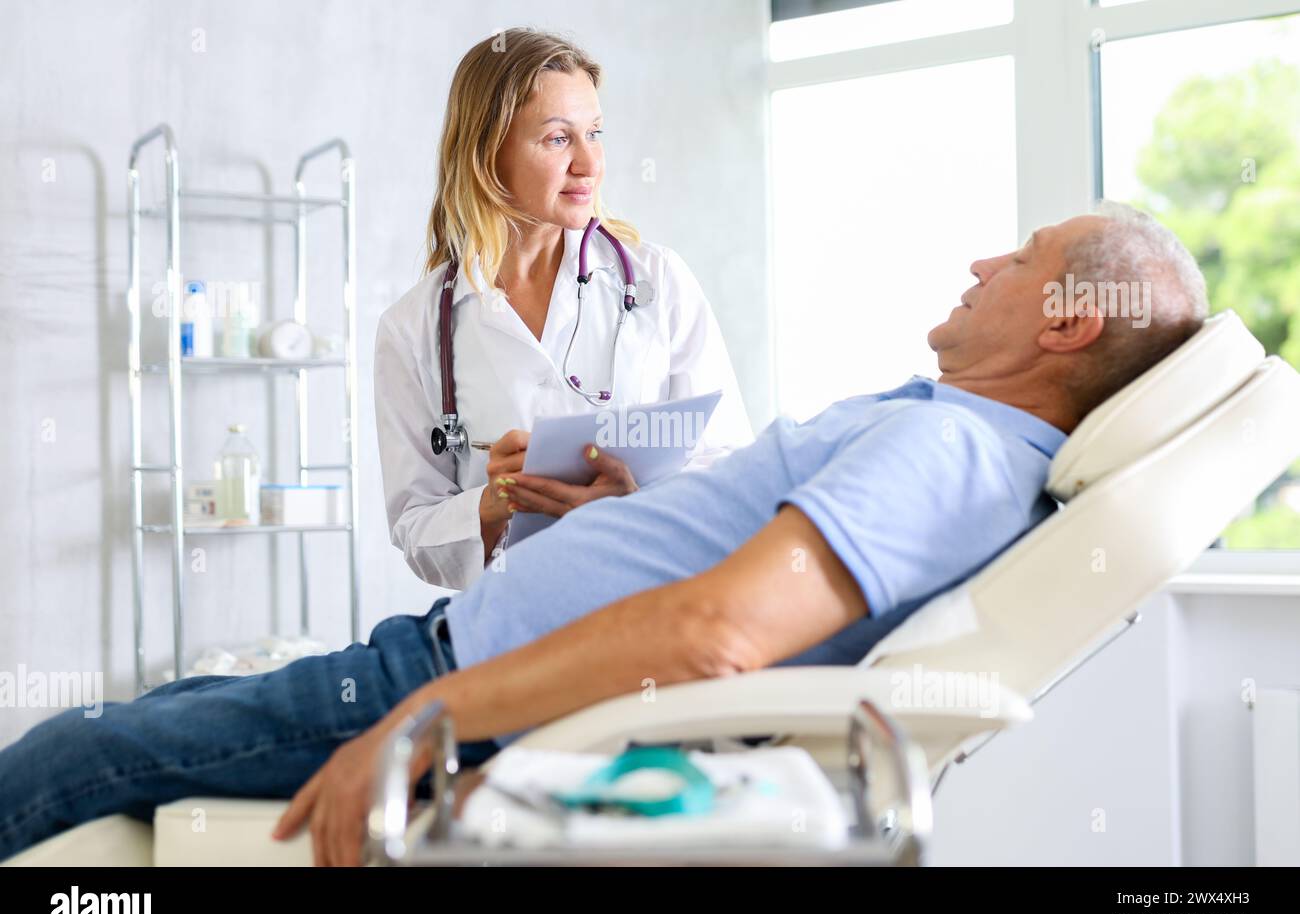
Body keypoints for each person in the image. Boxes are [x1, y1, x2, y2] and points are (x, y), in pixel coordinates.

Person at [0, 203, 1209, 865]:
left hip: (436, 685)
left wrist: (416, 726)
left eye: (1026, 256)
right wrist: (621, 512)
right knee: (128, 742)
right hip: (442, 648)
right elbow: (708, 586)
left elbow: (715, 631)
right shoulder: (946, 433)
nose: (982, 257)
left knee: (71, 757)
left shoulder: (953, 453)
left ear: (1065, 324)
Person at [376, 28, 752, 590]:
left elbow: (731, 463)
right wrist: (494, 500)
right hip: (516, 617)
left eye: (594, 134)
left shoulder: (658, 281)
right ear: (486, 151)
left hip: (652, 596)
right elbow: (415, 528)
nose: (588, 164)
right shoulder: (413, 328)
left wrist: (634, 498)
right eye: (557, 139)